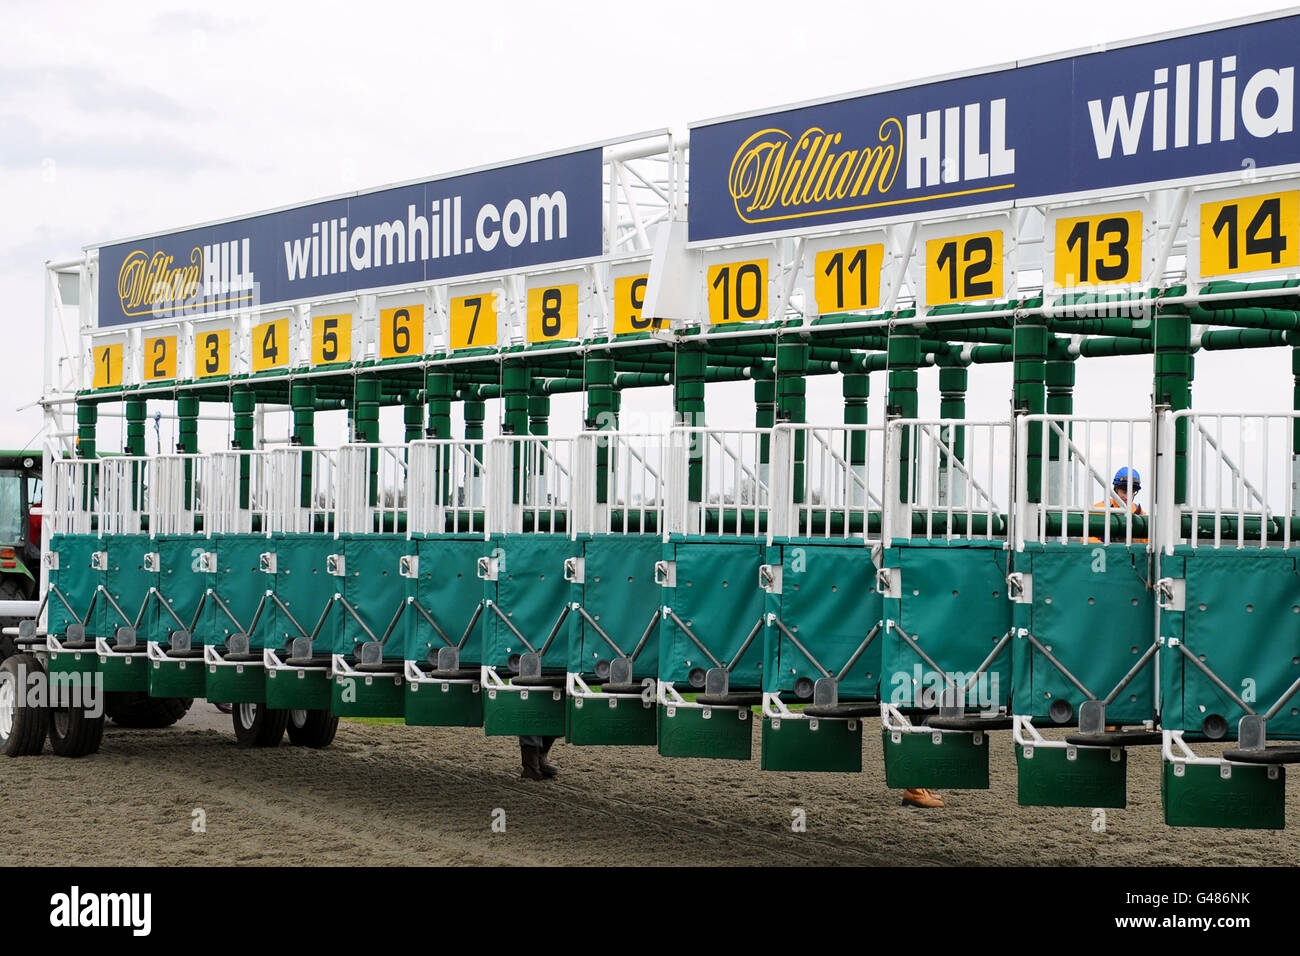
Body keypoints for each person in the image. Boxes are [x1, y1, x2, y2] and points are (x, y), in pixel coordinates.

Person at [1087, 467, 1146, 544]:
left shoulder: (1140, 512)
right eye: (1124, 492)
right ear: (1116, 490)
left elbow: (1147, 541)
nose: (1127, 497)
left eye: (1131, 492)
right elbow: (1087, 537)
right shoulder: (1099, 509)